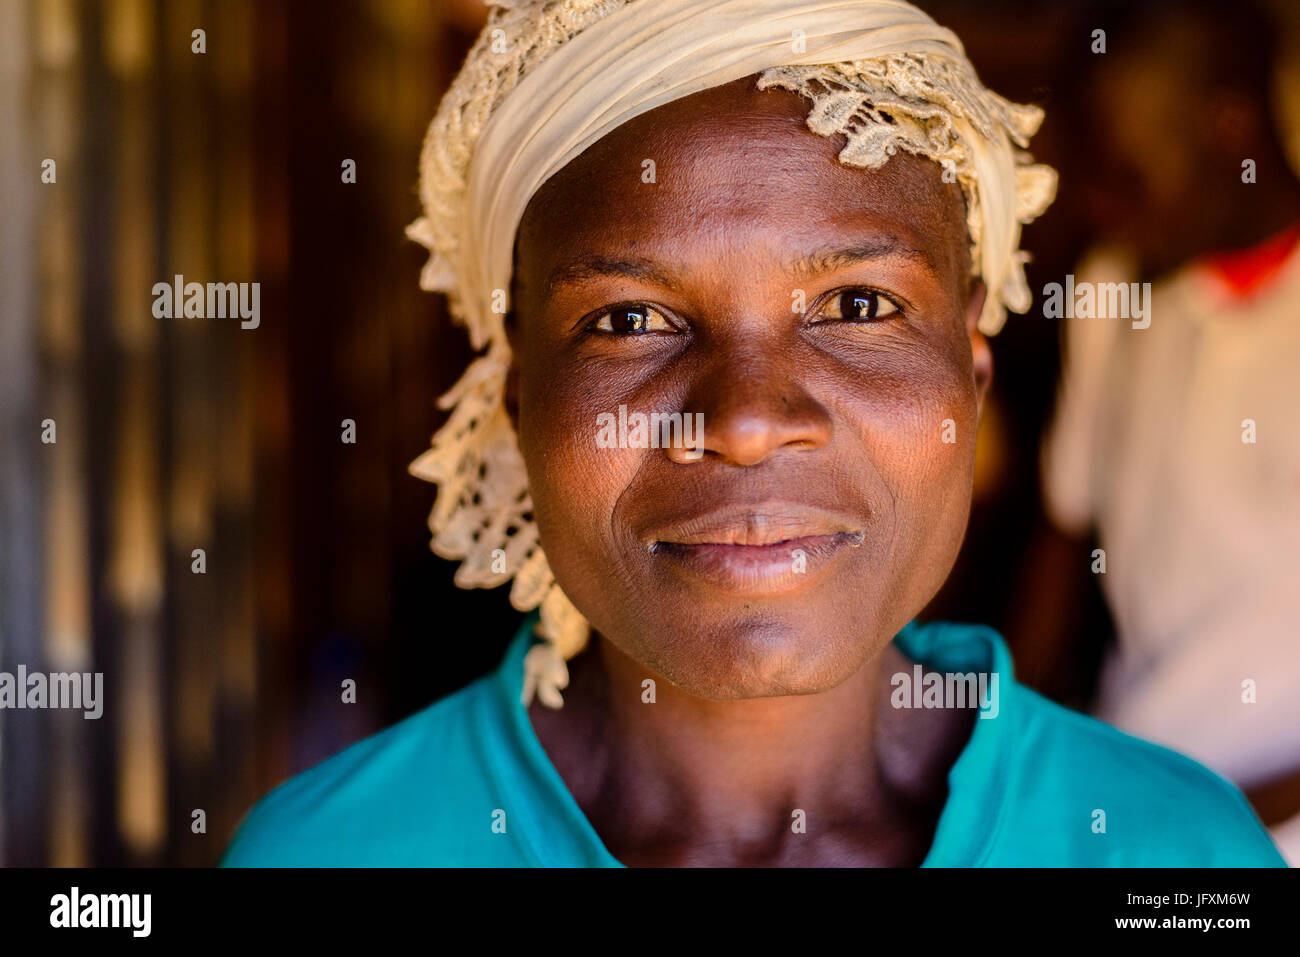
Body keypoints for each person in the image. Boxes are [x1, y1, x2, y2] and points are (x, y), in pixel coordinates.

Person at [222, 0, 1284, 867]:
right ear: (512, 395)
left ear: (969, 370)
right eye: (627, 320)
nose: (743, 420)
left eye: (857, 306)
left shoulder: (1179, 858)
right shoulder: (329, 855)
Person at [1021, 0, 1300, 864]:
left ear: (1230, 125)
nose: (1101, 209)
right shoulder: (1115, 289)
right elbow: (1063, 536)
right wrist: (1016, 754)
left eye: (1127, 176)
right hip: (1130, 788)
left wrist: (1210, 819)